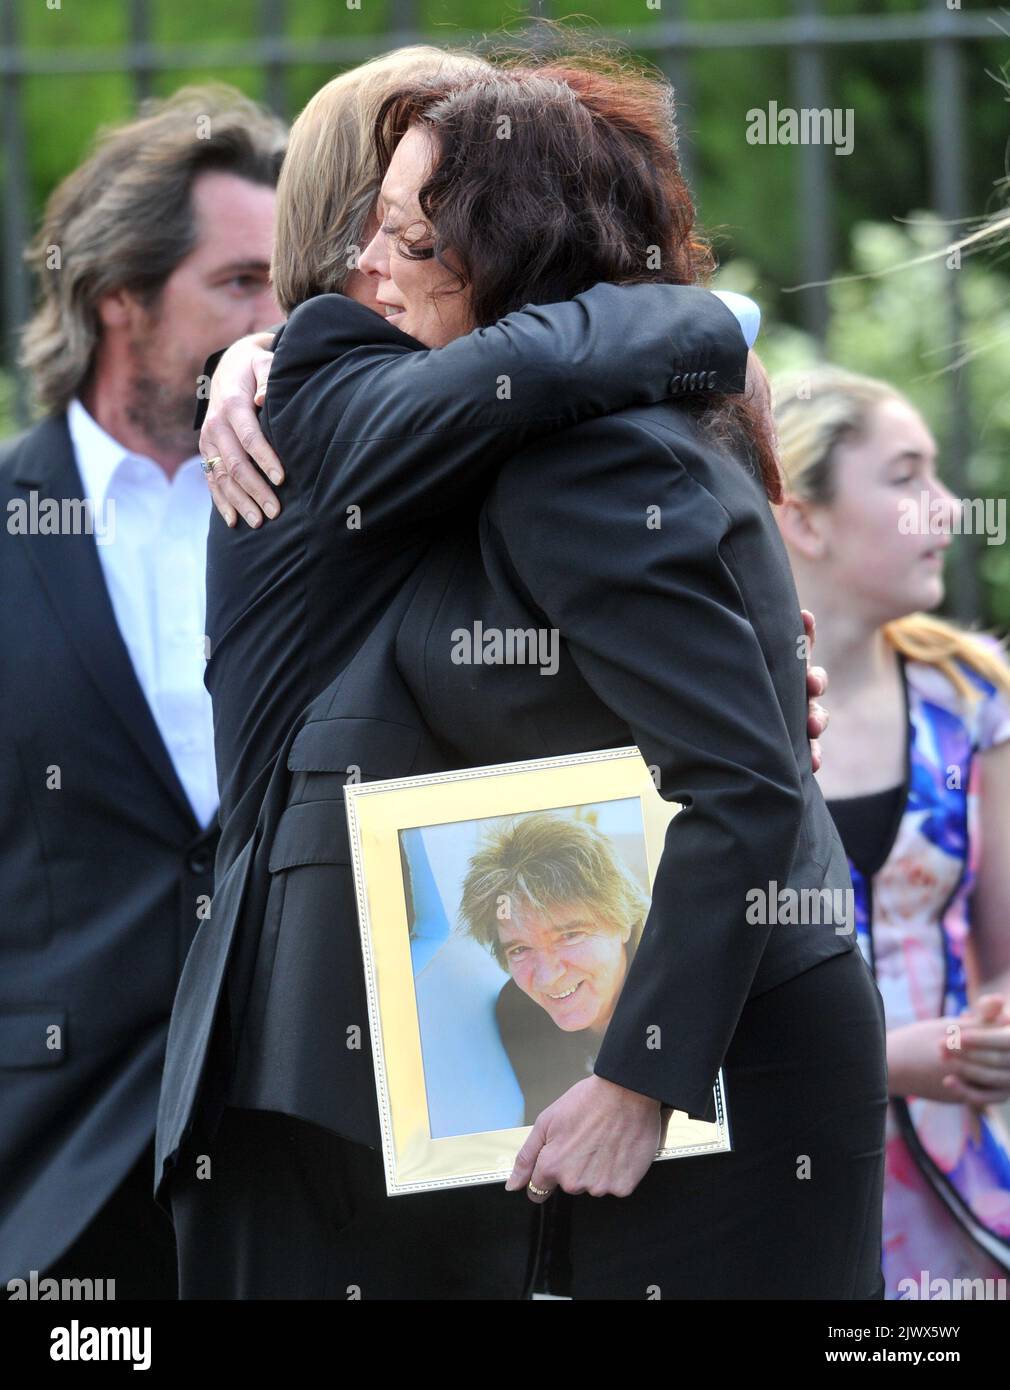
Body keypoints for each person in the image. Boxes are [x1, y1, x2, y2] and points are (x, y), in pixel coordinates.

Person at [158, 49, 879, 1301]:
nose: (377, 263)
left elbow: (731, 774)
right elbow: (540, 373)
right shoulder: (324, 388)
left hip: (651, 1046)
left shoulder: (581, 452)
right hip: (345, 1059)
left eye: (411, 231)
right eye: (372, 226)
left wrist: (641, 1067)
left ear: (501, 240)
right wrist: (712, 322)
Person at [0, 86, 285, 1297]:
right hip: (57, 1178)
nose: (279, 320)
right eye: (238, 284)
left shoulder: (330, 513)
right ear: (119, 297)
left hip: (300, 1150)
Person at [772, 365, 1010, 1296]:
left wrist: (992, 1029)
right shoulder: (714, 710)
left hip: (964, 1193)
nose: (948, 507)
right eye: (906, 475)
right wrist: (879, 1062)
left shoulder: (973, 694)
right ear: (803, 515)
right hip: (780, 1178)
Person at [459, 812, 649, 1125]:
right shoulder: (518, 1009)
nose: (547, 977)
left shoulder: (677, 996)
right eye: (520, 949)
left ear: (623, 921)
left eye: (570, 935)